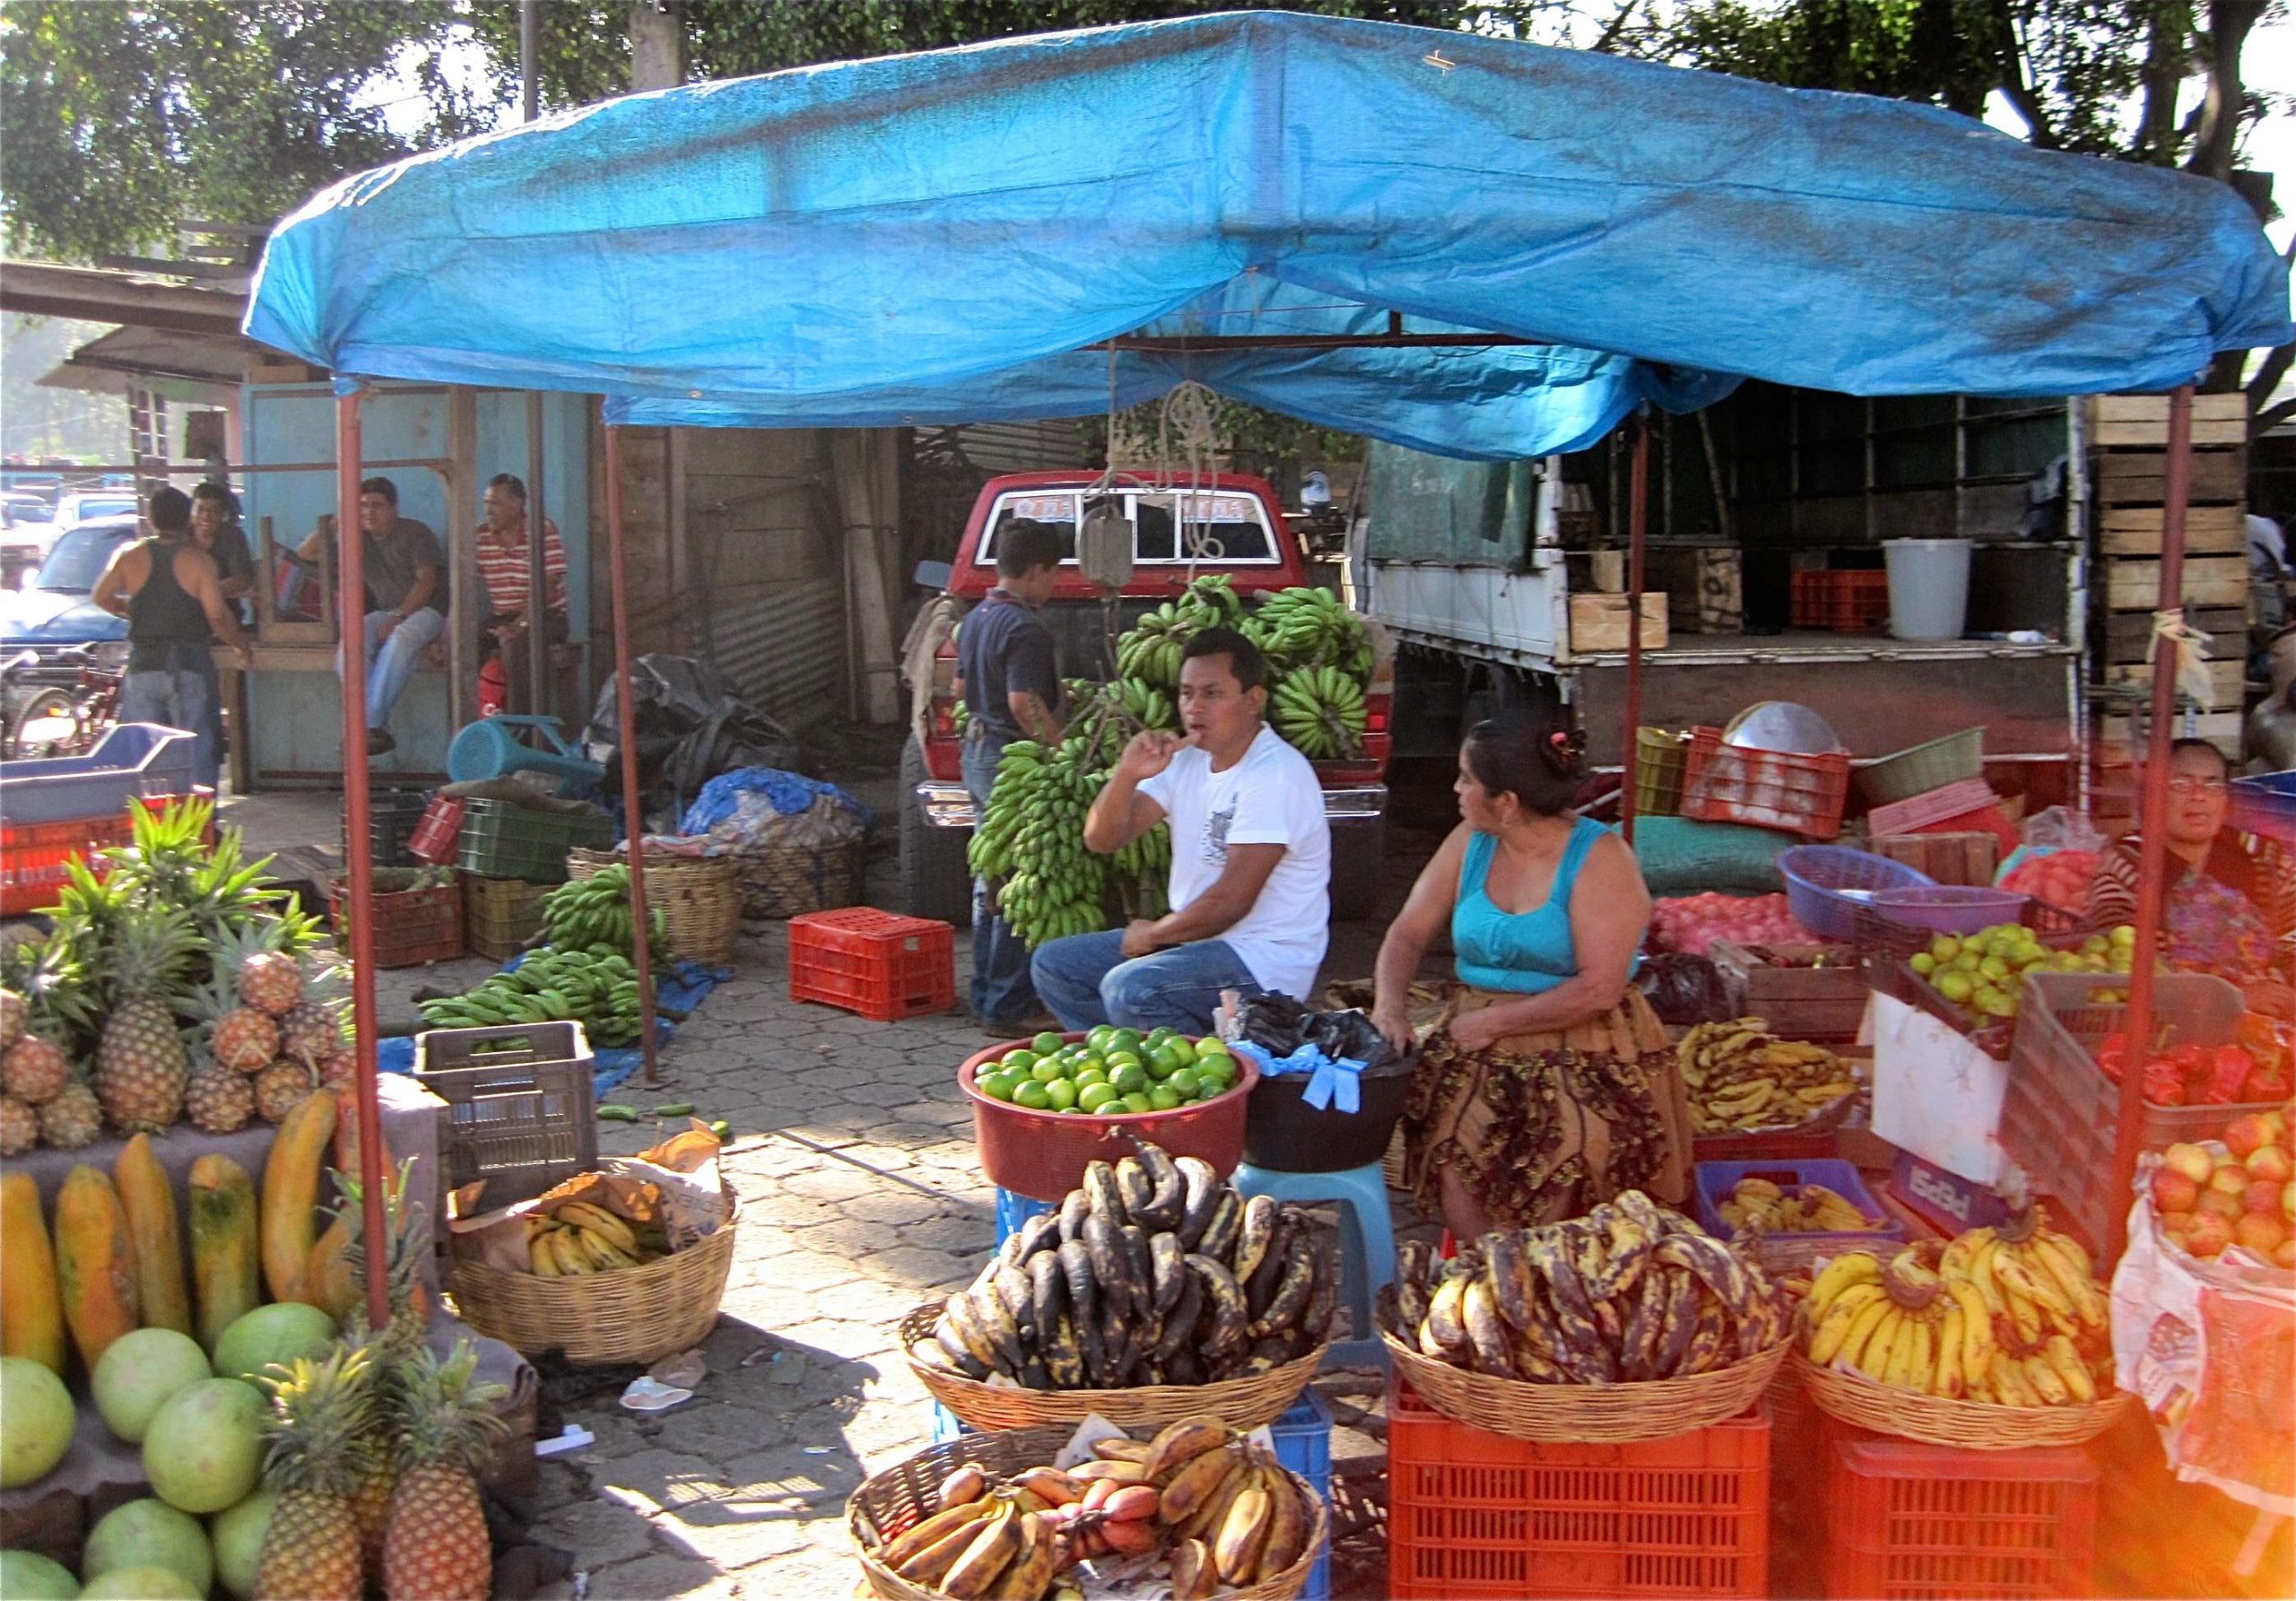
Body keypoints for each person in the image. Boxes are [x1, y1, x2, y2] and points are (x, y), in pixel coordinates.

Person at [1371, 707, 1691, 1241]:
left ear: (1508, 804)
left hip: (1586, 1039)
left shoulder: (1600, 858)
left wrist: (1496, 1025)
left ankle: (1545, 1290)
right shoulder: (1469, 841)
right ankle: (1486, 1279)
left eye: (1466, 779)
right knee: (1452, 1156)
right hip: (1477, 1036)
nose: (1454, 789)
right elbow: (1407, 932)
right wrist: (1389, 1006)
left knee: (1571, 1155)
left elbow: (1600, 988)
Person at [1031, 626, 1330, 1036]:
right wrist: (1128, 774)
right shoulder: (1188, 762)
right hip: (1197, 942)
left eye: (1212, 694)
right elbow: (1102, 839)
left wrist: (1154, 934)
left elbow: (1230, 903)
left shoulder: (1276, 775)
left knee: (1132, 990)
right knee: (1056, 966)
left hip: (1263, 960)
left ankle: (1205, 1075)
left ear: (1253, 700)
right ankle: (1125, 1064)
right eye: (1187, 693)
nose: (1194, 708)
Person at [2087, 737, 2293, 1016]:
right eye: (2181, 785)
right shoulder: (2129, 863)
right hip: (2174, 1021)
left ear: (2225, 799)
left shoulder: (2265, 858)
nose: (2198, 796)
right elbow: (2119, 961)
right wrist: (2233, 997)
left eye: (2212, 784)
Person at [955, 518, 1065, 1036]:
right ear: (1037, 570)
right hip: (1008, 758)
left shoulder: (977, 617)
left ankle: (986, 994)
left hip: (976, 748)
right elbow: (1024, 702)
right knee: (1018, 882)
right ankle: (1007, 1006)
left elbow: (959, 686)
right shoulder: (1025, 627)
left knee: (989, 877)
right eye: (1053, 575)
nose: (1055, 587)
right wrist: (1061, 749)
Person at [91, 486, 250, 791]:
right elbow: (217, 615)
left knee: (143, 753)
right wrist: (239, 645)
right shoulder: (199, 561)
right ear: (187, 519)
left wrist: (137, 613)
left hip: (142, 667)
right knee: (197, 751)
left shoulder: (129, 556)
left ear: (151, 519)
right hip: (188, 666)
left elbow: (101, 596)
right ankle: (199, 826)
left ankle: (150, 827)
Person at [297, 475, 445, 754]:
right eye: (363, 506)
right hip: (387, 611)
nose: (368, 512)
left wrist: (400, 616)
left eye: (376, 505)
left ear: (394, 508)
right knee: (353, 638)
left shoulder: (415, 532)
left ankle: (367, 724)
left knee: (401, 638)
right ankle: (372, 725)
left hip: (430, 610)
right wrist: (339, 520)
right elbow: (305, 553)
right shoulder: (356, 536)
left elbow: (427, 581)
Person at [474, 473, 570, 715]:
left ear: (517, 505)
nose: (488, 510)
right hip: (502, 617)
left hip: (546, 616)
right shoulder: (481, 537)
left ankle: (525, 732)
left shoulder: (542, 529)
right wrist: (448, 635)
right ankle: (473, 731)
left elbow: (547, 587)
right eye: (486, 503)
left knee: (516, 649)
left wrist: (520, 625)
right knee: (463, 645)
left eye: (495, 503)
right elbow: (465, 585)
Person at [189, 483, 254, 605]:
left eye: (213, 511)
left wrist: (207, 592)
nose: (205, 516)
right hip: (186, 612)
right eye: (200, 509)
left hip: (225, 609)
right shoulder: (182, 536)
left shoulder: (233, 536)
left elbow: (243, 579)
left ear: (222, 514)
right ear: (191, 512)